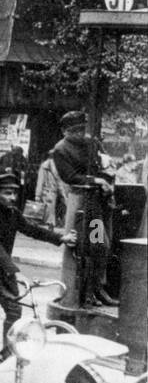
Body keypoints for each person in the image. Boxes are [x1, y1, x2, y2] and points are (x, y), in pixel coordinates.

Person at [0, 173, 74, 341]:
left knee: (14, 312)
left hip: (1, 271)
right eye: (7, 193)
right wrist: (15, 272)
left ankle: (8, 353)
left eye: (14, 193)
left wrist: (60, 238)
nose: (12, 197)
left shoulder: (12, 213)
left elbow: (31, 229)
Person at [51, 111, 116, 307]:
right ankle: (88, 291)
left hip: (101, 202)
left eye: (81, 129)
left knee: (104, 244)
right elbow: (69, 176)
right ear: (64, 131)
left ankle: (96, 288)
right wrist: (96, 180)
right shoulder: (60, 150)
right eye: (74, 130)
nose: (80, 134)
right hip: (84, 203)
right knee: (94, 245)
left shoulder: (92, 143)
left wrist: (107, 171)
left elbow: (103, 163)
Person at [36, 148, 62, 227]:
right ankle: (49, 226)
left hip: (46, 191)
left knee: (48, 211)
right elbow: (59, 181)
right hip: (52, 191)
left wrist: (37, 194)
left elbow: (40, 181)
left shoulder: (45, 165)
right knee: (49, 211)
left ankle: (48, 225)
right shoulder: (56, 166)